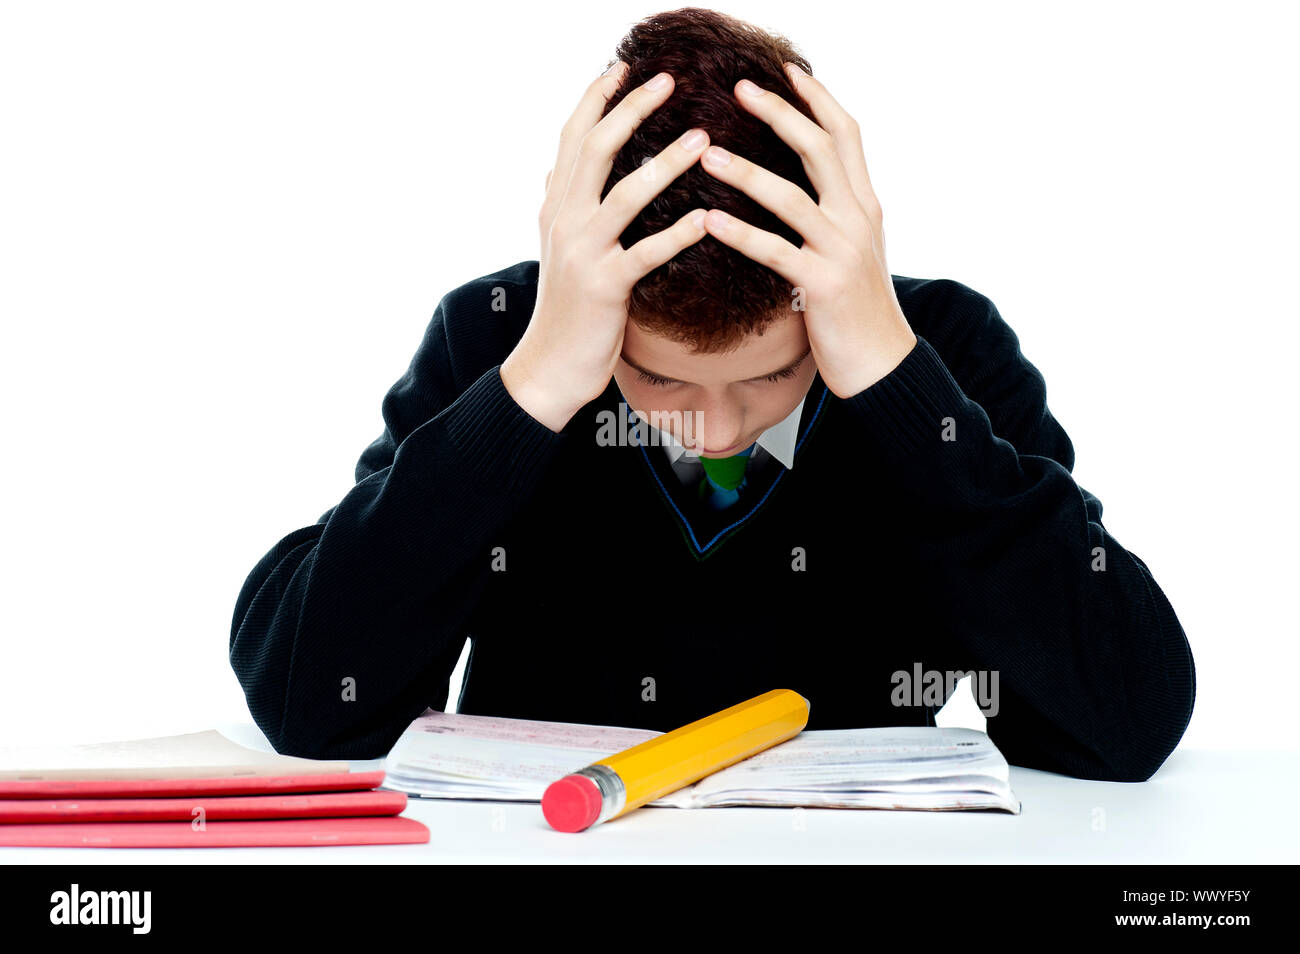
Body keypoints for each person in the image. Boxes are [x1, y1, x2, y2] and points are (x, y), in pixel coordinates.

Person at [229, 7, 1194, 782]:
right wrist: (534, 389)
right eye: (657, 376)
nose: (719, 425)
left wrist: (893, 385)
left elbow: (1124, 721)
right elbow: (315, 708)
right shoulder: (504, 341)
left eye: (772, 374)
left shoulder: (932, 355)